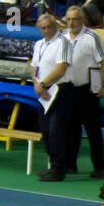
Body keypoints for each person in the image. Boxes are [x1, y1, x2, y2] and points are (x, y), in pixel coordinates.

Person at [62, 5, 104, 178]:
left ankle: (100, 166)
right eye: (68, 19)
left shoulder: (92, 37)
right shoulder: (62, 38)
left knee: (93, 130)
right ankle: (69, 165)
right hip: (68, 90)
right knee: (71, 129)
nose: (71, 22)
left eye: (74, 18)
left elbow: (103, 62)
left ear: (82, 19)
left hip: (88, 90)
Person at [31, 13, 73, 182]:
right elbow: (34, 68)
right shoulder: (39, 44)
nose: (46, 30)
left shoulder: (63, 42)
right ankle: (52, 163)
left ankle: (59, 168)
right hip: (43, 93)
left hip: (59, 90)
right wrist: (37, 85)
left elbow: (60, 69)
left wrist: (44, 85)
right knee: (46, 131)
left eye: (49, 27)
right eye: (43, 28)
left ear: (55, 26)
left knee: (57, 132)